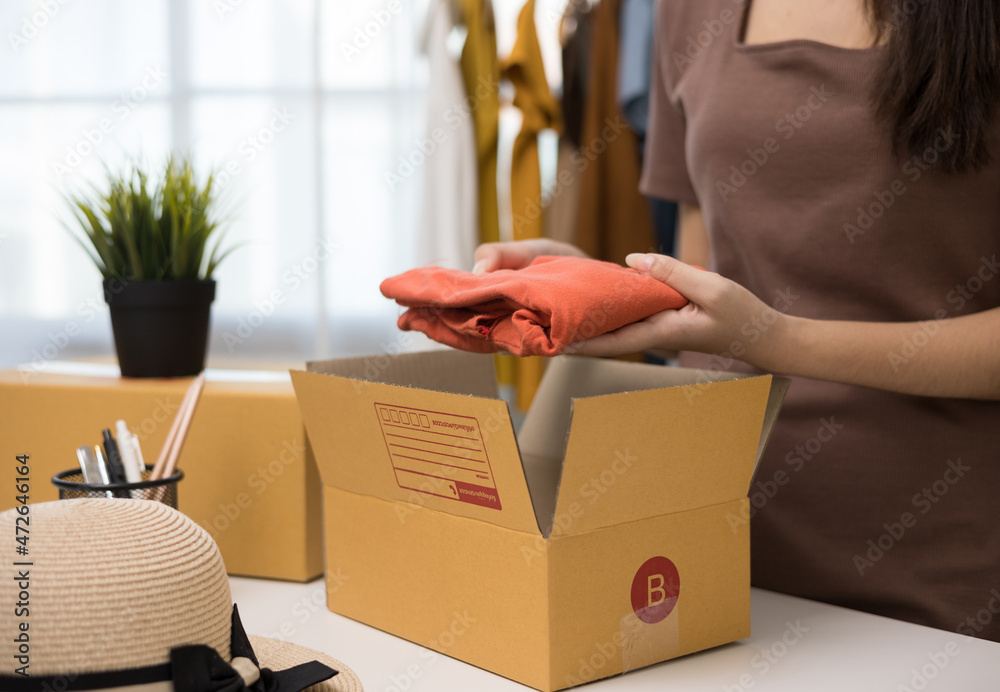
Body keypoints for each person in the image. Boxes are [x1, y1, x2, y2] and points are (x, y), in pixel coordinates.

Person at [473, 0, 1000, 641]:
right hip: (708, 546)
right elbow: (705, 270)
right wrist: (594, 284)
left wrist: (778, 339)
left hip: (931, 575)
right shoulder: (686, 10)